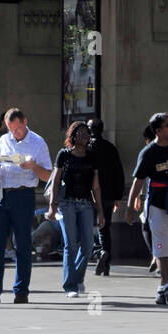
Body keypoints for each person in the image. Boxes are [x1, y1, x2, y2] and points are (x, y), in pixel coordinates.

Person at [0, 108, 52, 305]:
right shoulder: (4, 140)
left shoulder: (38, 143)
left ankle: (21, 291)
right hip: (1, 194)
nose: (15, 133)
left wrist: (33, 167)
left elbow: (49, 176)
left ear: (25, 122)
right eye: (11, 129)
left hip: (23, 194)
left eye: (18, 129)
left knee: (22, 243)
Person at [126, 112, 168, 307]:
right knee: (162, 246)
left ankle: (163, 289)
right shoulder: (149, 152)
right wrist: (130, 206)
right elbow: (137, 181)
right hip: (158, 203)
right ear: (158, 130)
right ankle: (166, 286)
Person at [47, 122, 104, 297]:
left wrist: (100, 211)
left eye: (87, 133)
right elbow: (55, 181)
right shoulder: (64, 155)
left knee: (87, 245)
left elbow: (95, 187)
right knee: (70, 245)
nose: (85, 136)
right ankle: (70, 286)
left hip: (86, 204)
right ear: (73, 136)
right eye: (81, 133)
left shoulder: (91, 157)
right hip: (66, 203)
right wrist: (52, 205)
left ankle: (77, 278)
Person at [87, 118, 125, 276]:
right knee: (105, 228)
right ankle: (106, 261)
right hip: (109, 194)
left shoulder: (87, 148)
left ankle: (99, 253)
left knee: (90, 227)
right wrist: (118, 195)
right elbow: (119, 172)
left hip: (90, 194)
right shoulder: (110, 148)